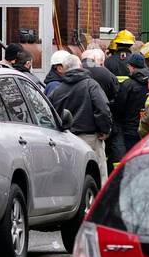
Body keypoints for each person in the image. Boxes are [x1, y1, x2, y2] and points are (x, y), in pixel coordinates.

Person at [46, 53, 112, 181]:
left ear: (64, 69)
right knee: (98, 174)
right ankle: (97, 201)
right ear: (80, 66)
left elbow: (50, 114)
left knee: (73, 177)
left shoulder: (58, 90)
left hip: (66, 140)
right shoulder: (91, 85)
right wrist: (104, 129)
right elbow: (102, 108)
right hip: (91, 138)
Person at [112, 52, 149, 155]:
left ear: (131, 66)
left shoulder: (128, 84)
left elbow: (119, 107)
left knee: (133, 157)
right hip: (148, 128)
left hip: (131, 130)